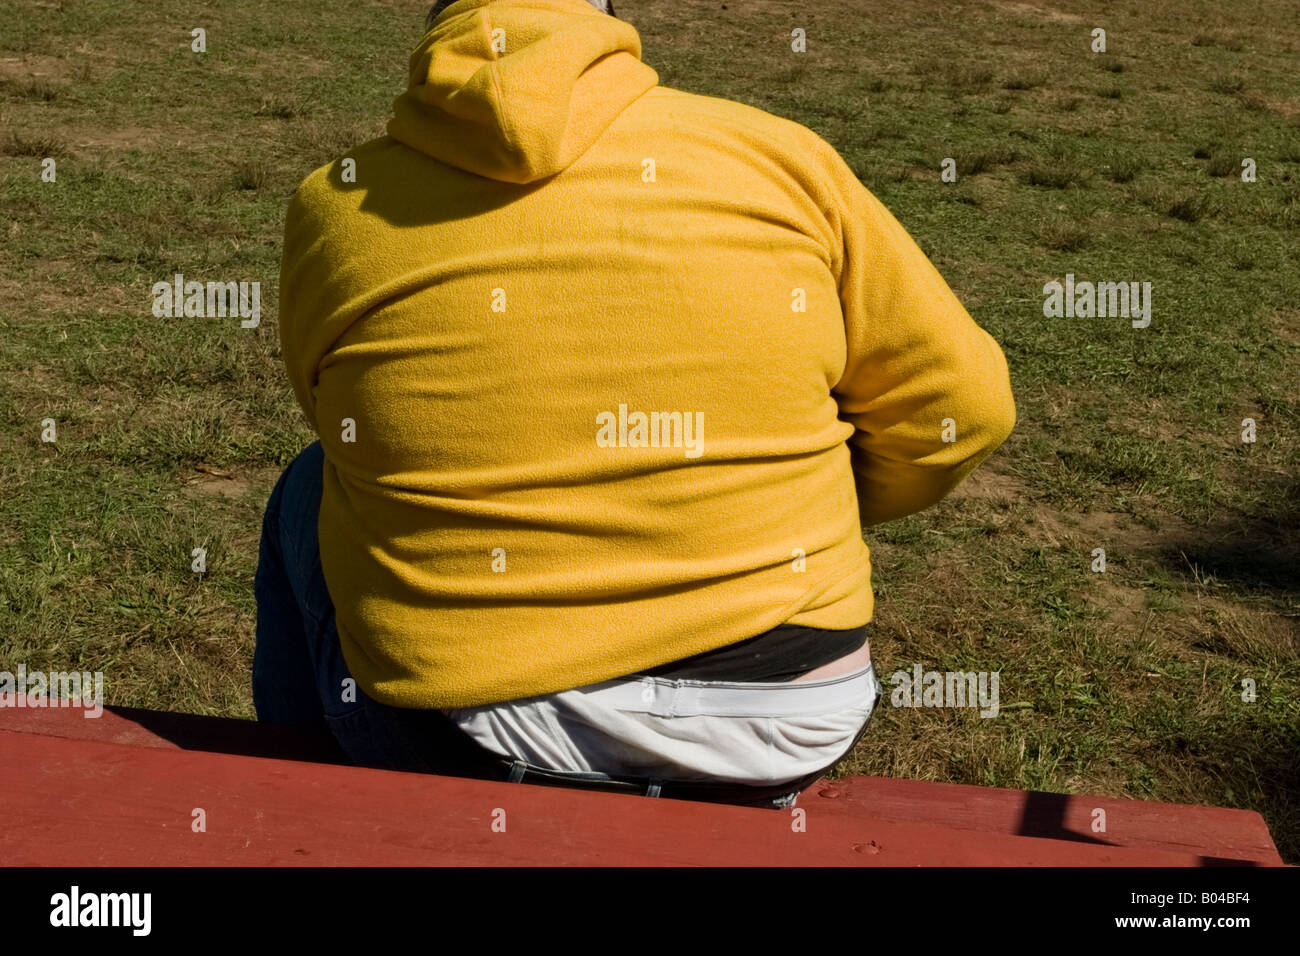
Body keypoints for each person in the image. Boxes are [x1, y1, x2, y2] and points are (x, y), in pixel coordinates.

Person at [255, 0, 1016, 808]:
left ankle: (303, 804)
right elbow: (962, 413)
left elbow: (338, 420)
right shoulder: (778, 155)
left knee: (312, 482)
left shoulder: (336, 202)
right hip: (788, 721)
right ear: (605, 16)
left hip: (461, 735)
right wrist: (770, 502)